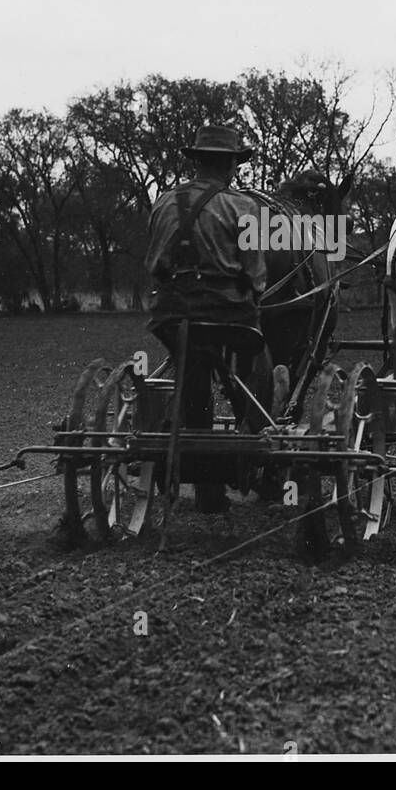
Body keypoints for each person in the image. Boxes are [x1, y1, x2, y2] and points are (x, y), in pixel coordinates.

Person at [145, 124, 271, 513]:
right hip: (227, 313)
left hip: (170, 314)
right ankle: (250, 439)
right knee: (257, 362)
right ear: (232, 165)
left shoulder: (164, 202)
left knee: (193, 365)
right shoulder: (244, 208)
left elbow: (154, 266)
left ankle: (204, 480)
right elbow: (256, 275)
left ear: (197, 161)